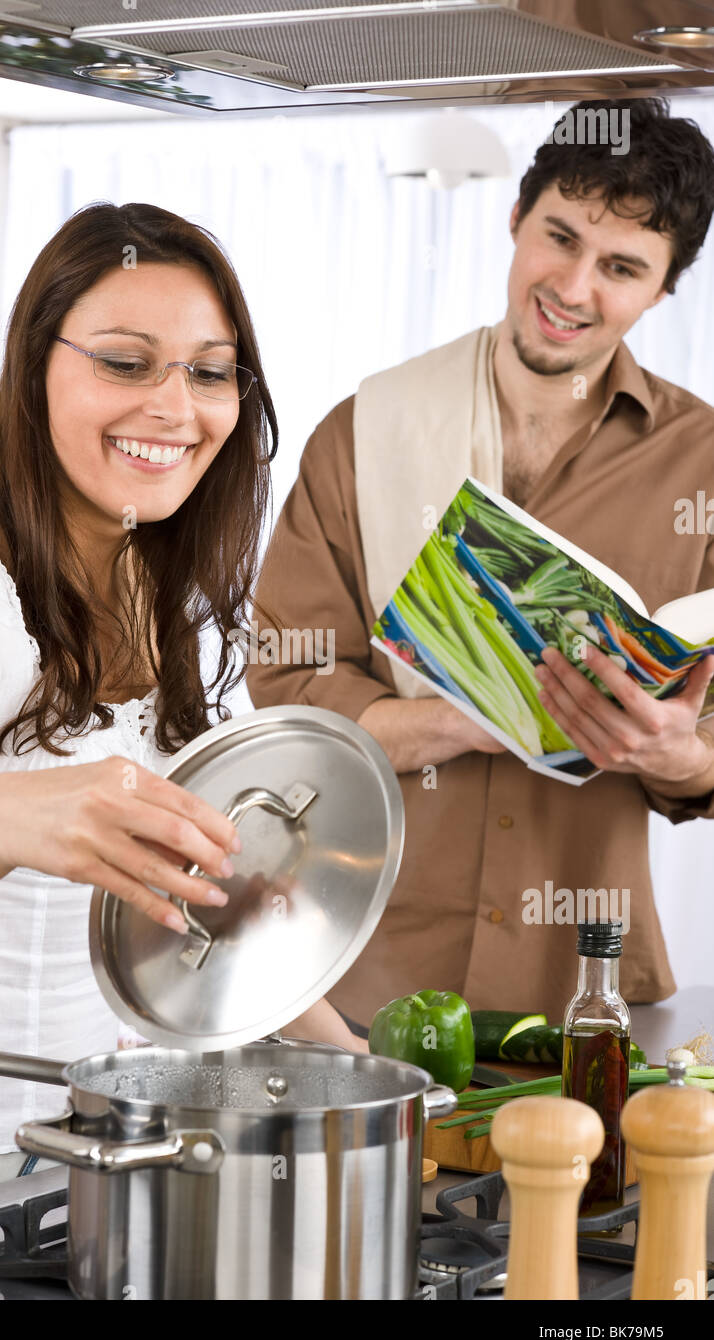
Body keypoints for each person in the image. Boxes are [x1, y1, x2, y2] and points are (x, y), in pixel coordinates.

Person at [0, 202, 364, 1224]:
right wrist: (8, 815)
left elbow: (194, 877)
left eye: (210, 372)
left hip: (106, 1160)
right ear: (39, 363)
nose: (175, 406)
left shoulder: (152, 566)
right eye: (127, 362)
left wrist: (344, 1058)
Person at [247, 98, 714, 1032]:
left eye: (621, 267)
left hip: (589, 992)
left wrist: (680, 755)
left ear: (663, 291)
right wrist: (470, 721)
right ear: (515, 219)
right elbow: (287, 681)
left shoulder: (701, 464)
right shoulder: (368, 430)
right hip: (363, 983)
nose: (575, 287)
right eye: (560, 237)